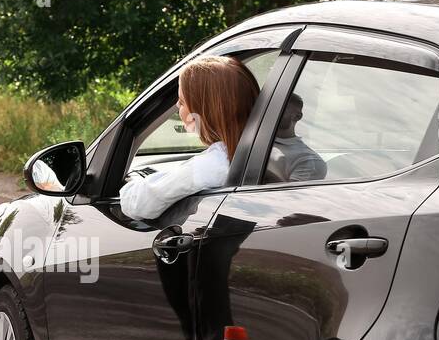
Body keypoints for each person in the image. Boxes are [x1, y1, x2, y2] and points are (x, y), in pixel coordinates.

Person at [119, 56, 259, 220]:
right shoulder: (266, 151)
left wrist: (128, 188)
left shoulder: (211, 165)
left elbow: (137, 204)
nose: (177, 106)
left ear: (206, 112)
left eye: (182, 101)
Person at [264, 94, 327, 182]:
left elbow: (288, 194)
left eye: (280, 108)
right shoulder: (256, 141)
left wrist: (259, 171)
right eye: (270, 108)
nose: (272, 112)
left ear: (298, 116)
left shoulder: (309, 160)